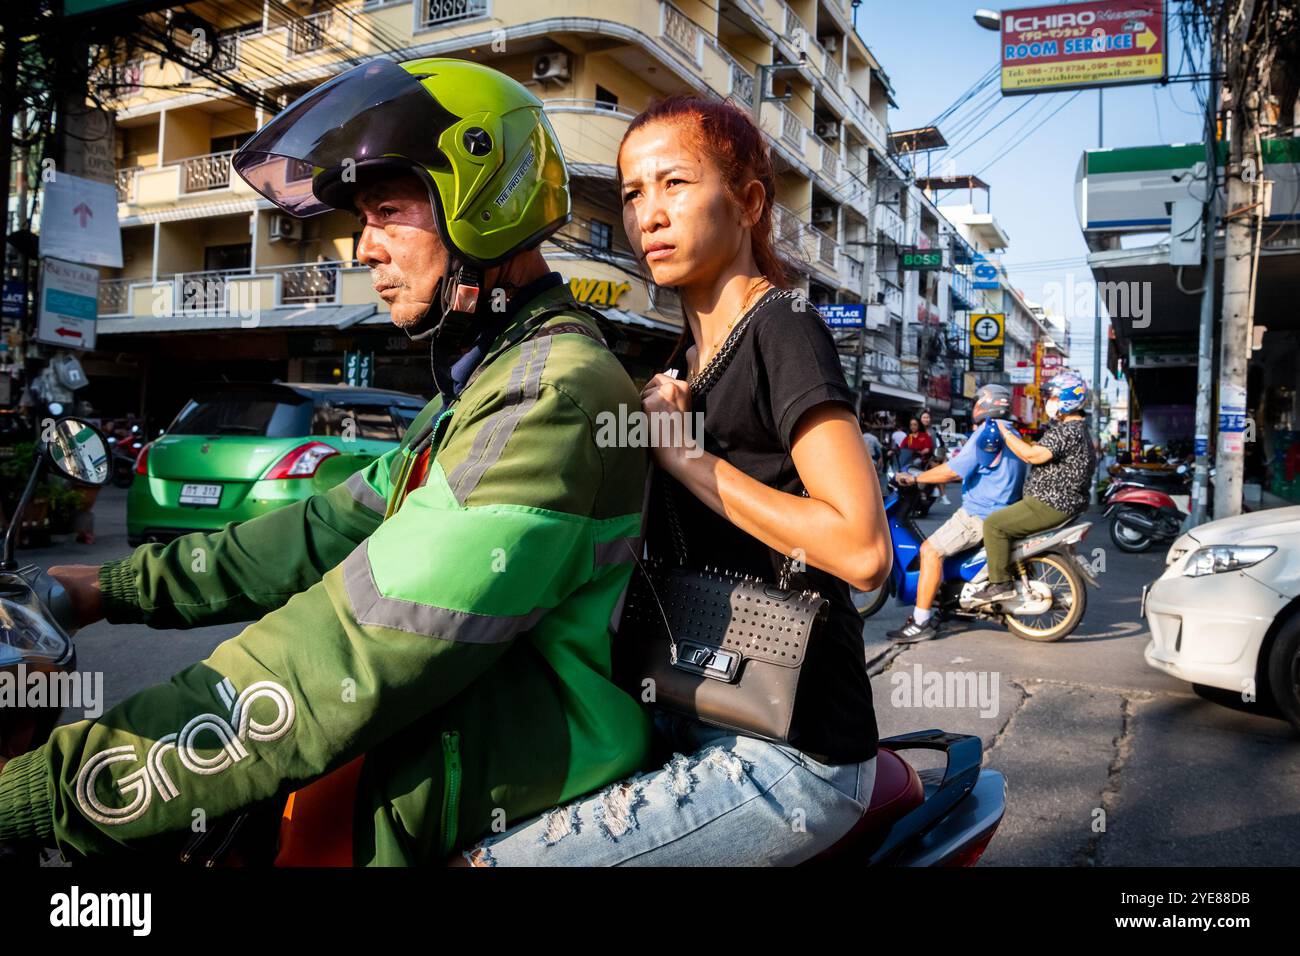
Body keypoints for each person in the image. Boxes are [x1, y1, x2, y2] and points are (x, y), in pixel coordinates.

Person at [0, 58, 652, 865]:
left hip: (504, 797)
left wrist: (56, 789)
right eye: (360, 221)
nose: (366, 248)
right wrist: (107, 587)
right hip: (415, 771)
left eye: (386, 211)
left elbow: (359, 645)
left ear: (482, 202)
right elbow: (324, 527)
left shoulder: (552, 394)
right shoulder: (482, 387)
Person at [459, 93, 891, 866]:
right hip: (684, 712)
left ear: (748, 201)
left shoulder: (782, 326)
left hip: (793, 751)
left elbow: (860, 548)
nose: (647, 215)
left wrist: (687, 459)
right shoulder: (678, 369)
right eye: (631, 193)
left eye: (675, 185)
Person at [886, 385, 1027, 643]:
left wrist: (916, 478)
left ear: (987, 403)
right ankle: (953, 605)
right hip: (1003, 509)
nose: (974, 407)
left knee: (930, 551)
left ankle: (921, 621)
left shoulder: (988, 431)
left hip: (979, 513)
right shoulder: (1011, 432)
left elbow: (954, 471)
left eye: (976, 402)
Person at [971, 371, 1097, 605]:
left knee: (994, 525)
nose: (1049, 402)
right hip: (1062, 502)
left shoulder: (1068, 431)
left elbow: (1031, 455)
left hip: (1050, 504)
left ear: (1068, 398)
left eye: (1053, 397)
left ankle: (1000, 584)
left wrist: (1004, 432)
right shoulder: (1077, 430)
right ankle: (1016, 575)